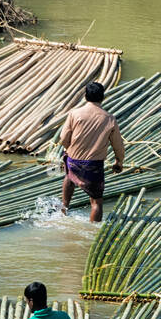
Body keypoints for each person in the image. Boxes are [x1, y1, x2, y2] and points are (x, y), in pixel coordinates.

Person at [59, 80, 125, 222]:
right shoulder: (109, 118)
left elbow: (64, 137)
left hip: (74, 160)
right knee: (96, 202)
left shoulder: (74, 114)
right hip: (93, 165)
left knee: (69, 177)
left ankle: (63, 209)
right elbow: (118, 145)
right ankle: (91, 231)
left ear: (85, 96)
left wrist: (67, 149)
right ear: (103, 97)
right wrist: (119, 162)